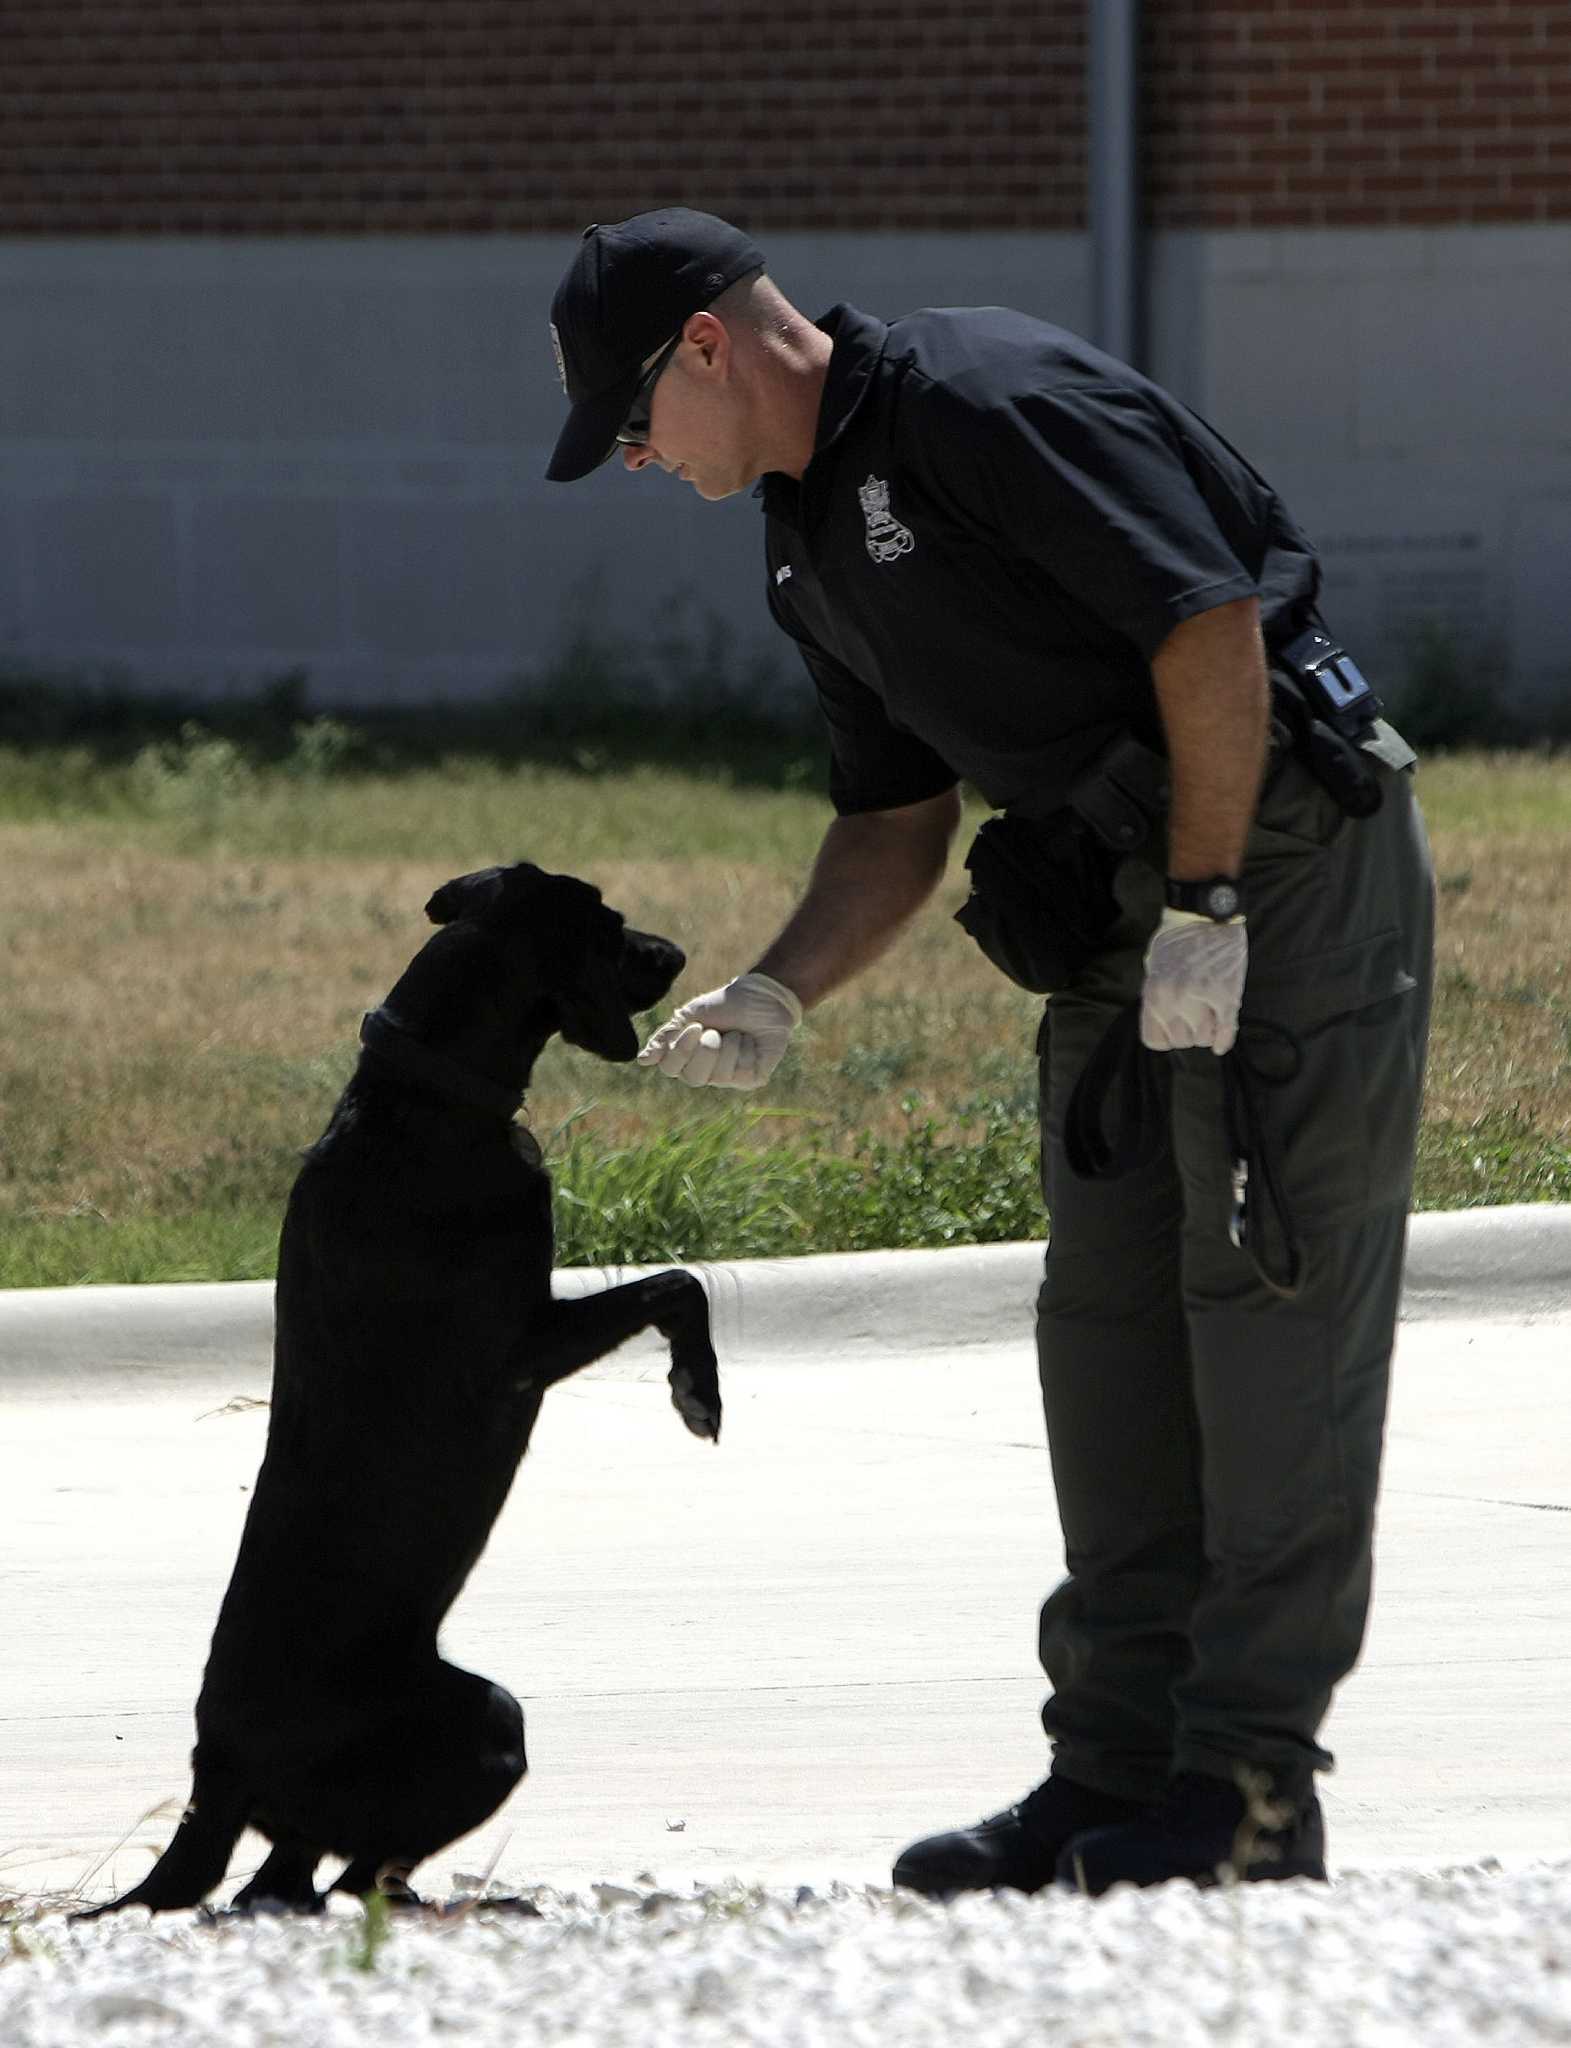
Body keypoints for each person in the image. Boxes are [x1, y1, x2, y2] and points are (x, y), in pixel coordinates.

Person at [544, 209, 1435, 1896]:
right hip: (1122, 909)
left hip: (1276, 874)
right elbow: (893, 824)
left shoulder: (976, 397)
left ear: (709, 351)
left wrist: (1213, 901)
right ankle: (1112, 1770)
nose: (640, 460)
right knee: (1104, 1328)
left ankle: (1246, 1793)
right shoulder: (805, 541)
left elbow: (1209, 628)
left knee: (1267, 1318)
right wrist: (777, 990)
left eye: (635, 423)